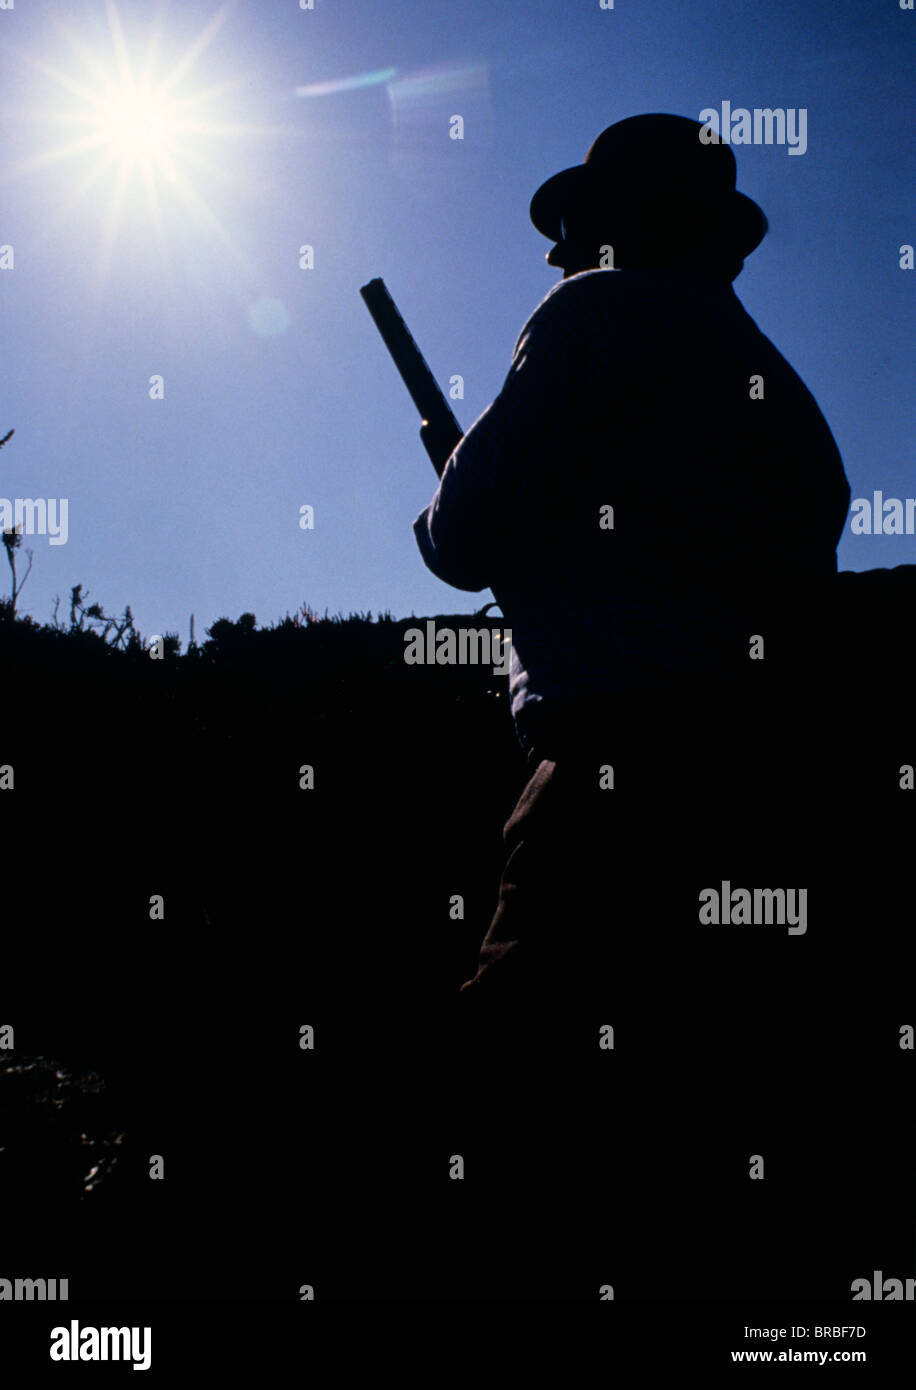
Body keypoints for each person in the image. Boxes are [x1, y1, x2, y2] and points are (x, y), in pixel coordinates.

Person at [413, 113, 851, 1026]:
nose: (554, 259)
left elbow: (460, 542)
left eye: (571, 232)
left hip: (611, 772)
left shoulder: (591, 313)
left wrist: (449, 485)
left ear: (622, 222)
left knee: (514, 1050)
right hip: (771, 782)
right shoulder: (777, 389)